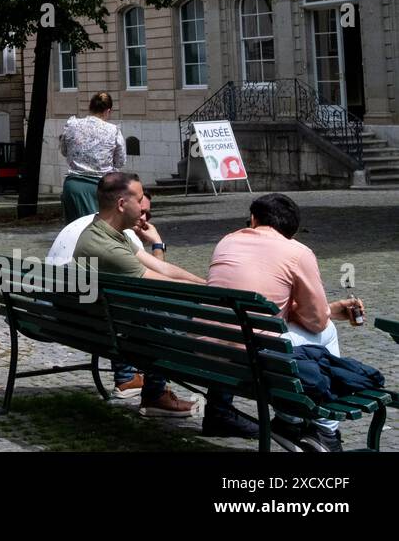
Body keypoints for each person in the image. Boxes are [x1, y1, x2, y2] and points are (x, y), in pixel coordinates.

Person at [205, 194, 365, 451]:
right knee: (328, 332)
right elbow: (316, 322)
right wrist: (327, 313)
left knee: (284, 338)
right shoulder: (297, 252)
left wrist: (327, 310)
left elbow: (264, 300)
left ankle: (289, 421)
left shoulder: (227, 241)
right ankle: (326, 430)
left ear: (254, 219)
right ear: (292, 230)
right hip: (252, 357)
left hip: (209, 351)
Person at [51, 183, 203, 399]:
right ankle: (155, 395)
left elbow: (162, 269)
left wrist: (205, 283)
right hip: (105, 328)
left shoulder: (103, 230)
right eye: (140, 204)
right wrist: (214, 295)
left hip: (84, 318)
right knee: (160, 315)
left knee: (142, 311)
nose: (144, 214)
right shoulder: (109, 246)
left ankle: (148, 390)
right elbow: (162, 284)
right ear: (122, 204)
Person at [58, 92, 126, 223]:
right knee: (99, 231)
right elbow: (120, 161)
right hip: (101, 187)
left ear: (90, 107)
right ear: (108, 111)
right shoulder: (113, 130)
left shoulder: (72, 125)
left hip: (74, 186)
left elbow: (64, 151)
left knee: (74, 230)